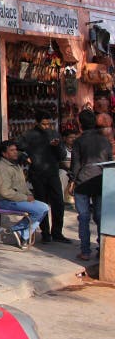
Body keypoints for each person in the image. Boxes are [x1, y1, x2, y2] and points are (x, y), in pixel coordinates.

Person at [18, 112, 70, 243]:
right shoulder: (28, 135)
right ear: (37, 122)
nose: (46, 126)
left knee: (58, 202)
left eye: (48, 123)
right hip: (37, 174)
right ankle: (45, 233)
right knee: (42, 204)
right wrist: (24, 158)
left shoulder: (54, 134)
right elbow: (15, 147)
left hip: (53, 173)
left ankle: (57, 232)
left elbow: (62, 155)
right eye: (43, 124)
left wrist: (57, 145)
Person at [69, 110, 111, 261]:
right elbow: (109, 161)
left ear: (80, 124)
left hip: (83, 182)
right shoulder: (105, 140)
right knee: (100, 217)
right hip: (100, 181)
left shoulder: (79, 141)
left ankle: (85, 251)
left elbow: (75, 165)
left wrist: (71, 181)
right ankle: (101, 250)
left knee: (84, 217)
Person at [0, 141, 50, 246]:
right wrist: (25, 198)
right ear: (4, 154)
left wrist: (28, 195)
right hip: (4, 201)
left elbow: (22, 186)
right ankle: (18, 230)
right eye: (12, 150)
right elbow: (5, 192)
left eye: (16, 150)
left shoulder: (16, 165)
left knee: (44, 208)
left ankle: (24, 233)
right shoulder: (1, 168)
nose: (15, 152)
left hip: (16, 199)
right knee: (41, 208)